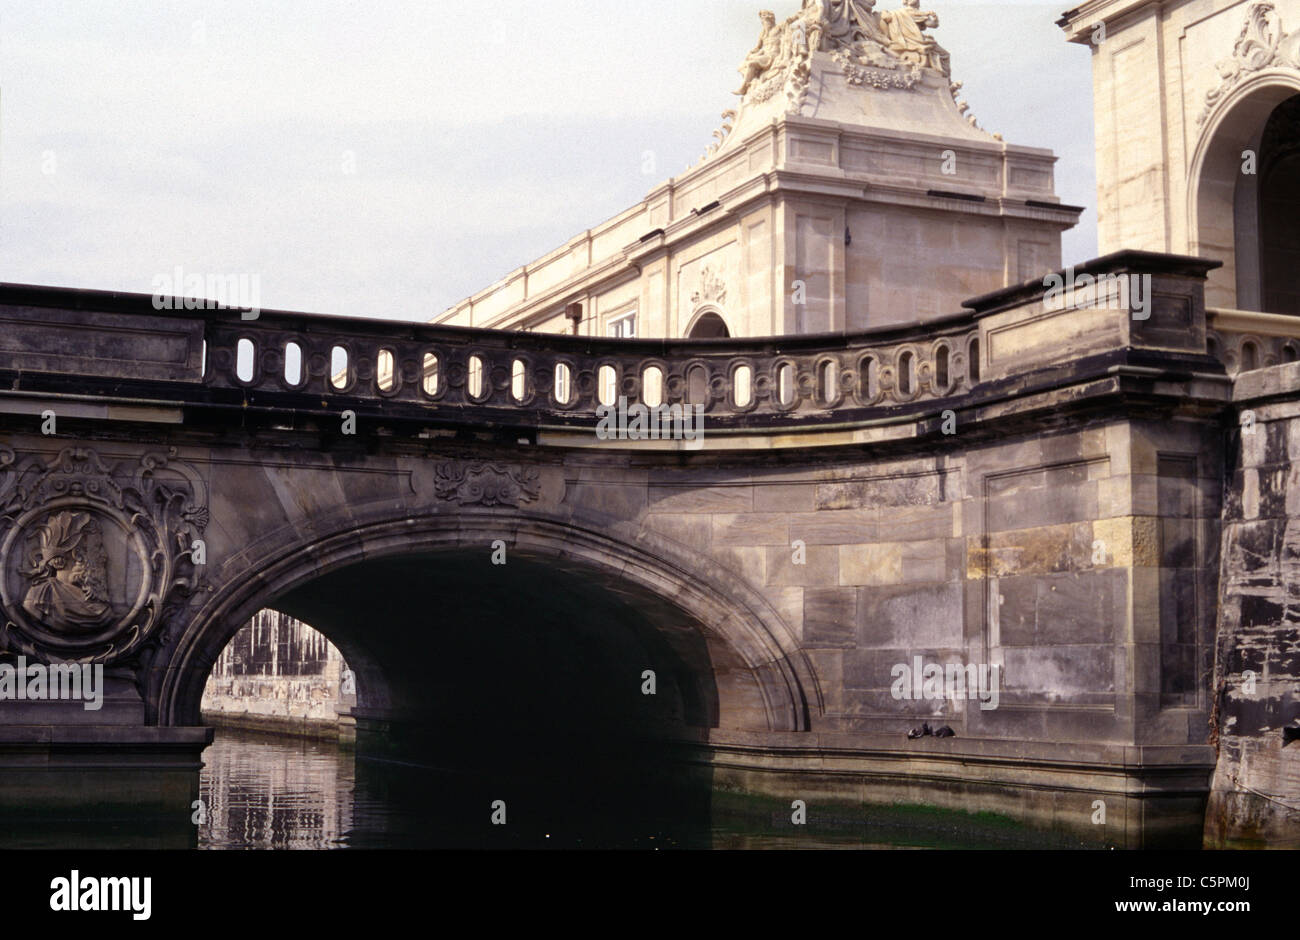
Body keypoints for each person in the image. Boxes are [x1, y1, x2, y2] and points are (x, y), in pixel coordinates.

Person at [22, 511, 113, 631]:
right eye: (97, 547)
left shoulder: (104, 608)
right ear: (78, 555)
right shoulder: (39, 598)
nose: (104, 555)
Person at [881, 0, 951, 74]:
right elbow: (932, 25)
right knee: (945, 54)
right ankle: (944, 77)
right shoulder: (918, 13)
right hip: (918, 41)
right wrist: (935, 18)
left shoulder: (896, 13)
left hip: (902, 41)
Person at [735, 10, 783, 96]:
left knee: (751, 63)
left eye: (766, 20)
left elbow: (790, 25)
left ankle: (743, 88)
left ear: (771, 20)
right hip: (765, 54)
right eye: (763, 21)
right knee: (742, 66)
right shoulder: (763, 33)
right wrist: (751, 53)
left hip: (772, 55)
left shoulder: (779, 28)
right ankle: (752, 82)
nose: (765, 23)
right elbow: (758, 47)